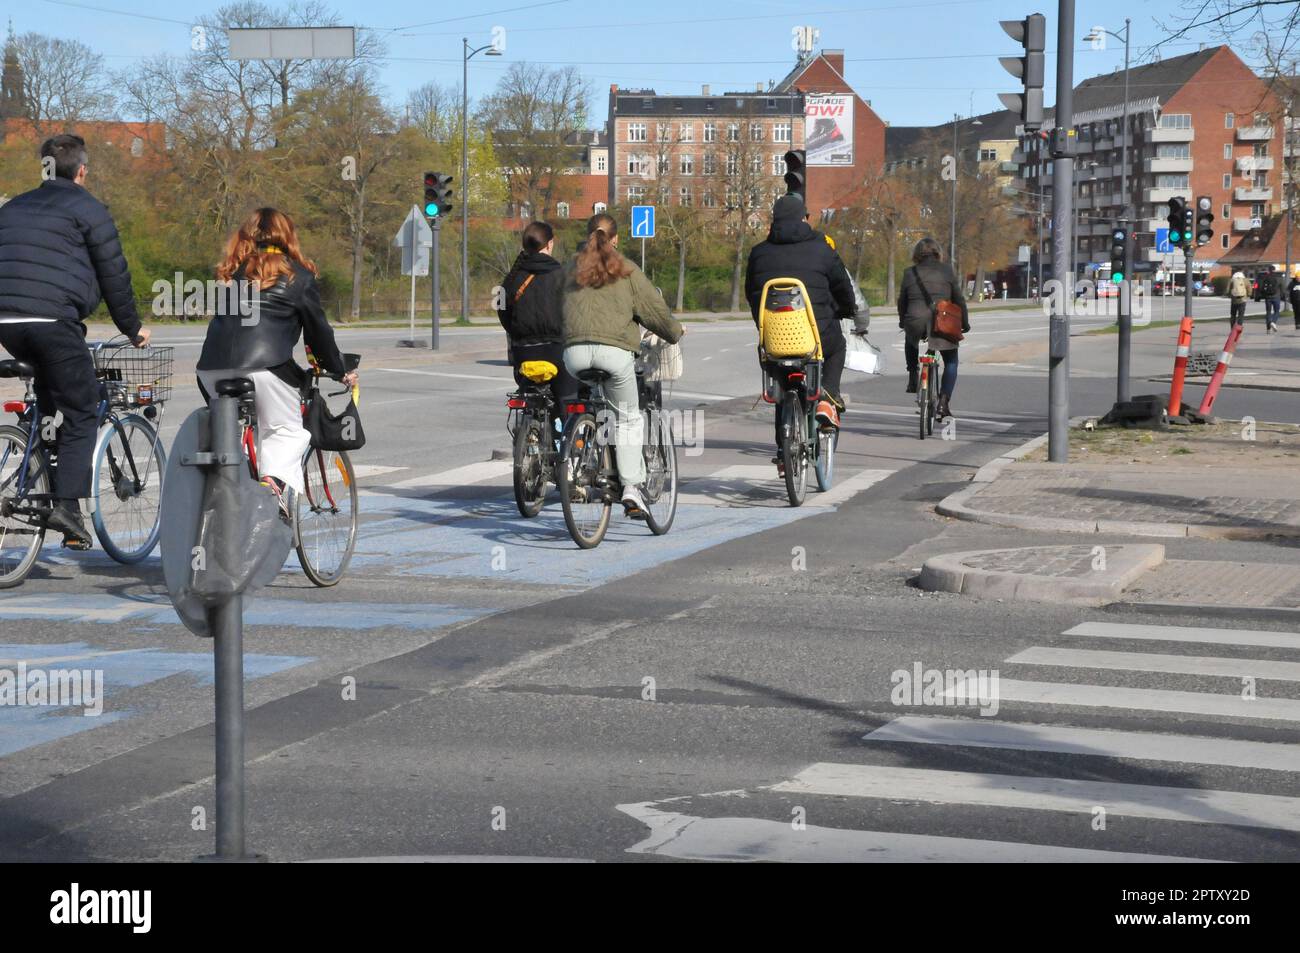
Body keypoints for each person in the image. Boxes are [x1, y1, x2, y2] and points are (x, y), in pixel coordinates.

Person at [0, 134, 151, 550]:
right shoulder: (89, 209)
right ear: (82, 170)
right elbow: (114, 275)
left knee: (54, 395)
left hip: (7, 322)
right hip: (52, 320)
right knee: (83, 408)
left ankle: (40, 454)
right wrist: (133, 327)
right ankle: (67, 507)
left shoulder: (11, 208)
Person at [197, 207, 356, 518]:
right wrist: (338, 369)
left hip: (210, 370)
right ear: (287, 237)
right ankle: (272, 484)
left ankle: (233, 476)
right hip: (265, 368)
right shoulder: (298, 276)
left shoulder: (232, 271)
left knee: (238, 430)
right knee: (288, 430)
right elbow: (319, 333)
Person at [560, 212, 683, 519]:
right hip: (614, 354)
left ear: (588, 235)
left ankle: (581, 458)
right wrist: (675, 332)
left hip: (573, 356)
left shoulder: (569, 269)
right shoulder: (626, 268)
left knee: (590, 402)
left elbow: (553, 306)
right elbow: (653, 310)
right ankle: (631, 487)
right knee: (628, 419)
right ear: (615, 239)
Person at [745, 193, 860, 443]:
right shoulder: (822, 248)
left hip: (775, 338)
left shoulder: (758, 253)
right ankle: (828, 400)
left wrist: (763, 324)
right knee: (837, 346)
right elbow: (842, 286)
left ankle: (783, 455)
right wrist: (847, 309)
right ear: (804, 219)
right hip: (815, 335)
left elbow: (752, 295)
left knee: (783, 379)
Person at [497, 221, 577, 413]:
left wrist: (517, 332)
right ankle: (569, 439)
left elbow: (501, 309)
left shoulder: (513, 278)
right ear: (550, 244)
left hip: (523, 354)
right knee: (569, 406)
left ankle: (527, 433)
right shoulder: (564, 276)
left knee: (527, 399)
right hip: (558, 352)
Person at [897, 237, 969, 420]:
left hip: (915, 320)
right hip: (942, 322)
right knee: (951, 361)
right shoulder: (947, 271)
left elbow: (902, 301)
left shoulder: (909, 272)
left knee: (910, 339)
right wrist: (964, 323)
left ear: (916, 255)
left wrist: (902, 321)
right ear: (938, 253)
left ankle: (913, 375)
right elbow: (958, 300)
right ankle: (944, 402)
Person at [1255, 265, 1281, 333]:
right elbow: (1282, 287)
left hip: (1267, 297)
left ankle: (1268, 329)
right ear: (1274, 270)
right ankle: (1273, 322)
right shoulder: (1278, 277)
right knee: (1277, 311)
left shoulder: (1265, 277)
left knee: (1268, 312)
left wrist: (1261, 295)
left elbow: (1260, 287)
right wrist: (1283, 295)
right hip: (1276, 297)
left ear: (1268, 270)